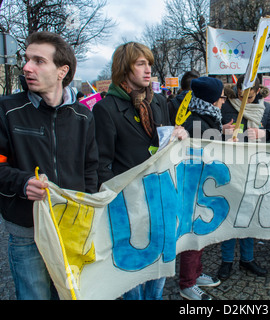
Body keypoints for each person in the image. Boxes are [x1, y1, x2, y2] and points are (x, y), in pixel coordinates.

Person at [0, 31, 99, 300]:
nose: (27, 67)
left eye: (38, 61)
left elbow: (91, 168)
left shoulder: (83, 115)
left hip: (70, 230)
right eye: (27, 59)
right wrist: (22, 184)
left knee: (70, 295)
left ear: (61, 71)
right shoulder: (7, 110)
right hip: (26, 230)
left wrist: (87, 211)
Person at [92, 42, 187, 300]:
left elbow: (165, 140)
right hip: (127, 202)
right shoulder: (106, 108)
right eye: (140, 64)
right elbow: (102, 163)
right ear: (125, 68)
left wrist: (180, 134)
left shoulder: (158, 101)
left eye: (149, 64)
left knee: (160, 261)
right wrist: (113, 199)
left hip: (160, 194)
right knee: (131, 271)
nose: (148, 70)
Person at [217, 75, 270, 281]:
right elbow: (212, 135)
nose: (246, 100)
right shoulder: (227, 107)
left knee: (249, 214)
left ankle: (247, 258)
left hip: (255, 166)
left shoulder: (266, 108)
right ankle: (226, 261)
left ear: (257, 92)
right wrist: (225, 133)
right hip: (232, 166)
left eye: (250, 97)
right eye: (243, 96)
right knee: (229, 214)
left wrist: (263, 134)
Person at [178, 76, 227, 300]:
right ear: (212, 100)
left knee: (200, 234)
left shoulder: (205, 119)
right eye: (222, 97)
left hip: (202, 188)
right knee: (193, 236)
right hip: (193, 189)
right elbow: (205, 155)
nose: (224, 101)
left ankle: (196, 274)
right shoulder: (198, 123)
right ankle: (187, 283)